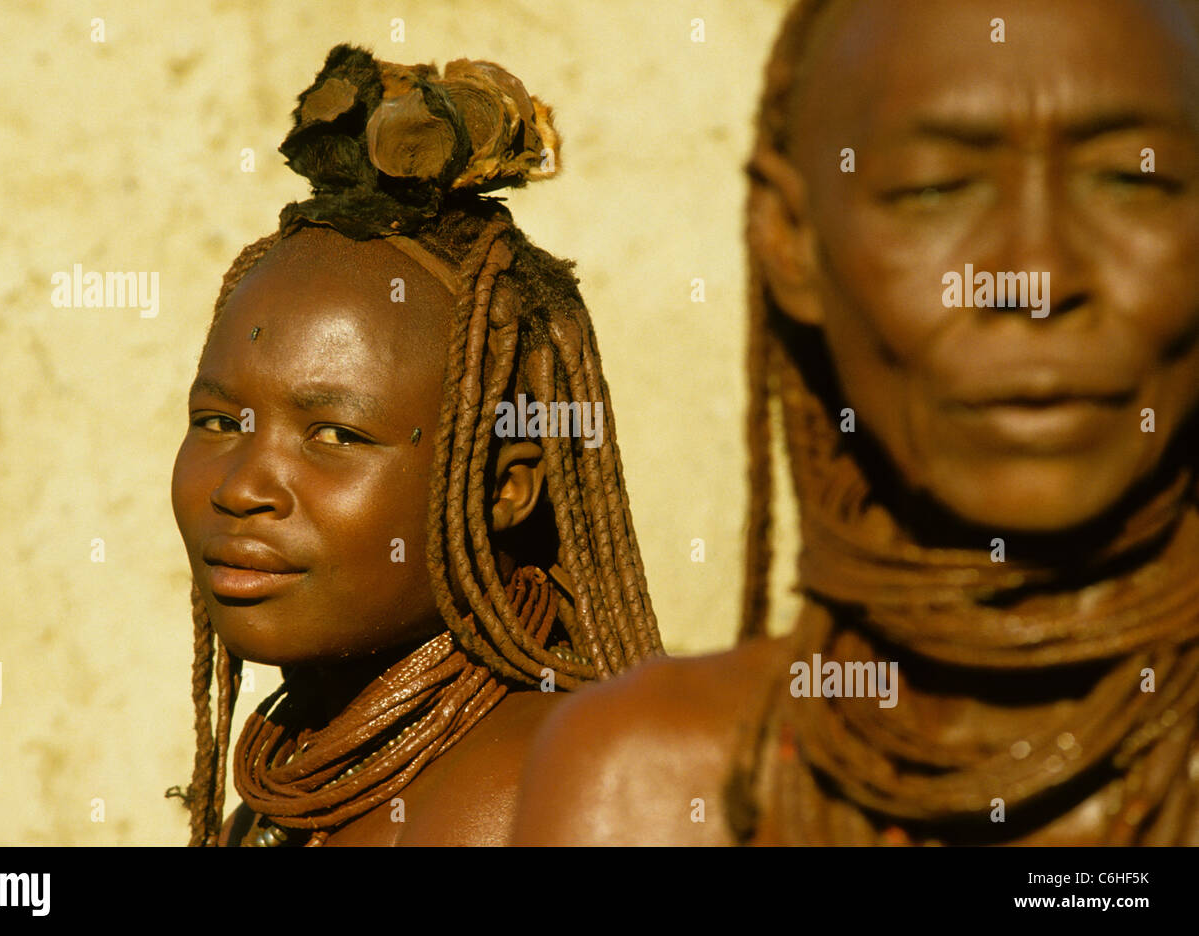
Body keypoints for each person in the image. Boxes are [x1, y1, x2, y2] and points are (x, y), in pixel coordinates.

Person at [512, 0, 1199, 845]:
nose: (1037, 275)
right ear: (790, 237)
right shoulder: (646, 790)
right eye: (936, 189)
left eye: (1134, 180)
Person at [168, 44, 662, 846]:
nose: (243, 487)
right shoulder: (307, 783)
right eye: (220, 423)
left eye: (335, 434)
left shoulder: (523, 803)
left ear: (506, 488)